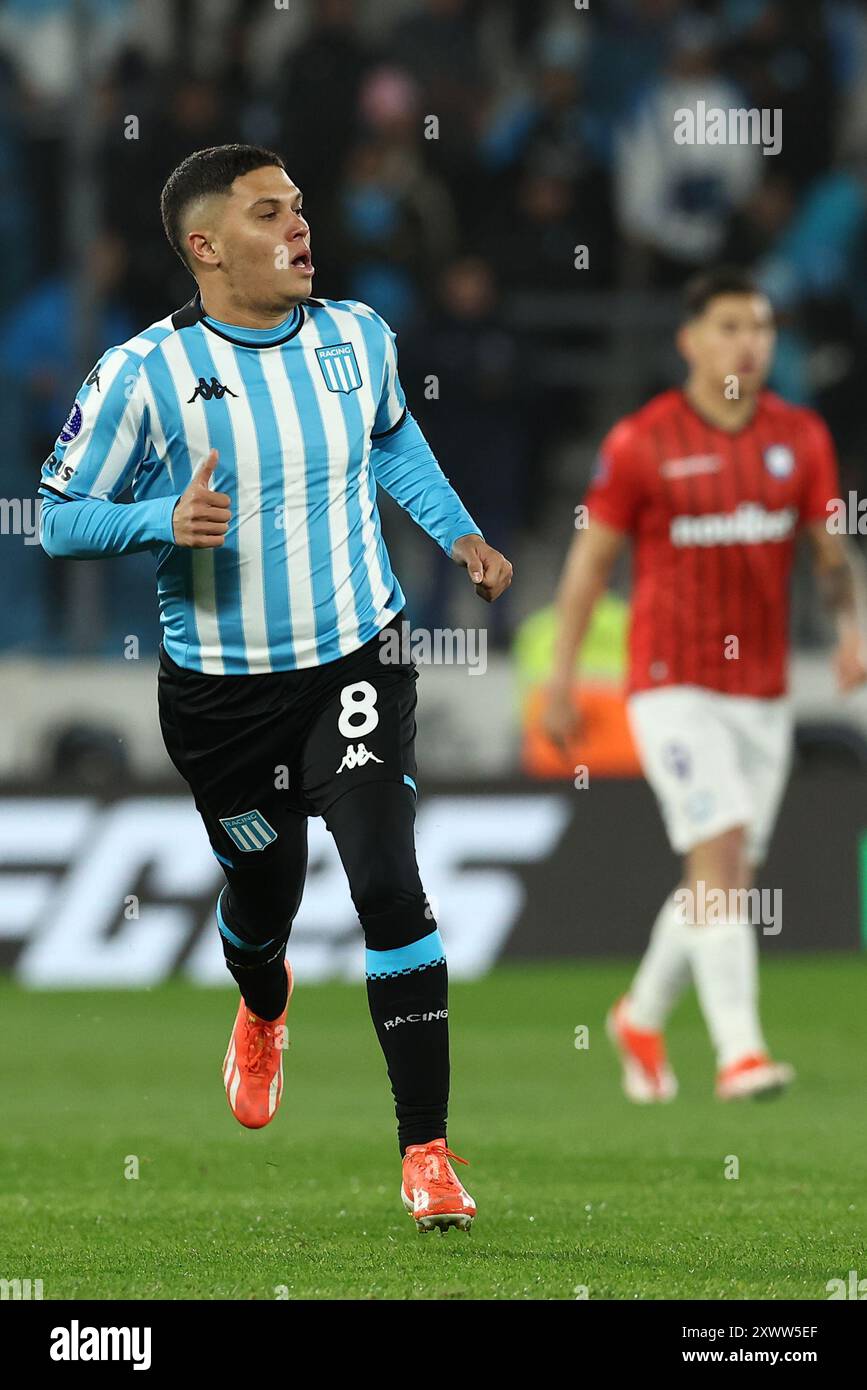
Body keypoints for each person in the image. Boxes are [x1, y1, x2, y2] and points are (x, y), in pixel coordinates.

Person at [38, 143, 512, 1231]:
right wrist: (160, 519)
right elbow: (58, 518)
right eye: (268, 213)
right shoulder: (140, 375)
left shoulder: (358, 336)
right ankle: (263, 1002)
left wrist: (461, 532)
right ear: (205, 247)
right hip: (221, 697)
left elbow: (392, 440)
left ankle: (428, 1151)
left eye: (299, 205)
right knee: (265, 897)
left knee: (389, 881)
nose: (300, 227)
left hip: (359, 655)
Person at [543, 266, 866, 1103]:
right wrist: (560, 678)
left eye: (758, 327)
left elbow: (829, 552)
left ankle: (639, 1016)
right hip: (668, 682)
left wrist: (850, 628)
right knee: (719, 850)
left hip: (762, 692)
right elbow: (589, 565)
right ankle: (740, 1054)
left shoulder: (800, 436)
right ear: (689, 341)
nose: (747, 342)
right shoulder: (641, 441)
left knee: (718, 876)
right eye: (728, 326)